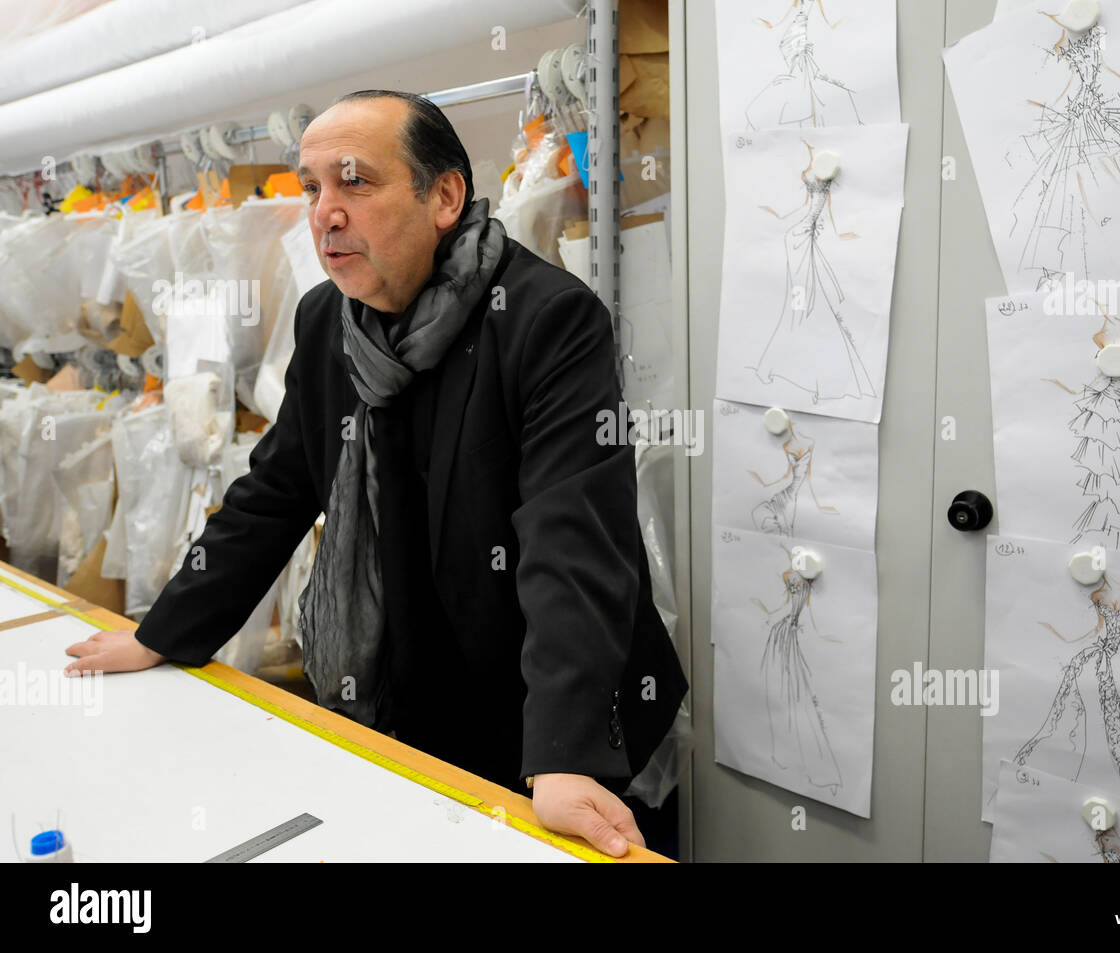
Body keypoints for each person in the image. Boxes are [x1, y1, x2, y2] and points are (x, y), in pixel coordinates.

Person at [62, 89, 688, 858]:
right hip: (408, 696)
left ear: (444, 197)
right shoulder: (329, 319)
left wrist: (564, 752)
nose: (324, 213)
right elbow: (276, 491)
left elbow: (573, 537)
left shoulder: (545, 318)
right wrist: (164, 630)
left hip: (546, 703)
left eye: (354, 181)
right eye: (312, 186)